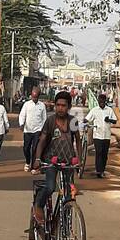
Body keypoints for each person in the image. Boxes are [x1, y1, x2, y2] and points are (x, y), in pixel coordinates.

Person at [32, 90, 80, 226]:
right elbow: (42, 140)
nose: (60, 108)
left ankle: (65, 226)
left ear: (69, 107)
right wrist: (37, 159)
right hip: (50, 160)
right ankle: (39, 206)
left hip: (68, 161)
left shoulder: (73, 121)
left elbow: (77, 140)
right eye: (58, 105)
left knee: (69, 194)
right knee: (50, 186)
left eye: (63, 105)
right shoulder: (50, 121)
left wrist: (80, 161)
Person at [86, 91, 118, 178]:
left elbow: (115, 120)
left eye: (103, 102)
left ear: (105, 102)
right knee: (98, 152)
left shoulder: (109, 110)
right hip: (97, 135)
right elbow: (88, 118)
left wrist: (109, 120)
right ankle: (98, 171)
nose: (101, 104)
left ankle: (102, 169)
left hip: (106, 135)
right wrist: (83, 122)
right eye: (100, 102)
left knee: (104, 154)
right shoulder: (94, 110)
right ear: (98, 101)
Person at [18, 85, 47, 172]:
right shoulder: (26, 105)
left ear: (38, 96)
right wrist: (21, 124)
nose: (34, 98)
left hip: (37, 130)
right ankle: (27, 162)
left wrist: (43, 130)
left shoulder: (42, 106)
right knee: (26, 148)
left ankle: (33, 166)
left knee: (35, 148)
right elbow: (22, 115)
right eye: (33, 97)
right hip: (27, 130)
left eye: (35, 97)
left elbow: (44, 118)